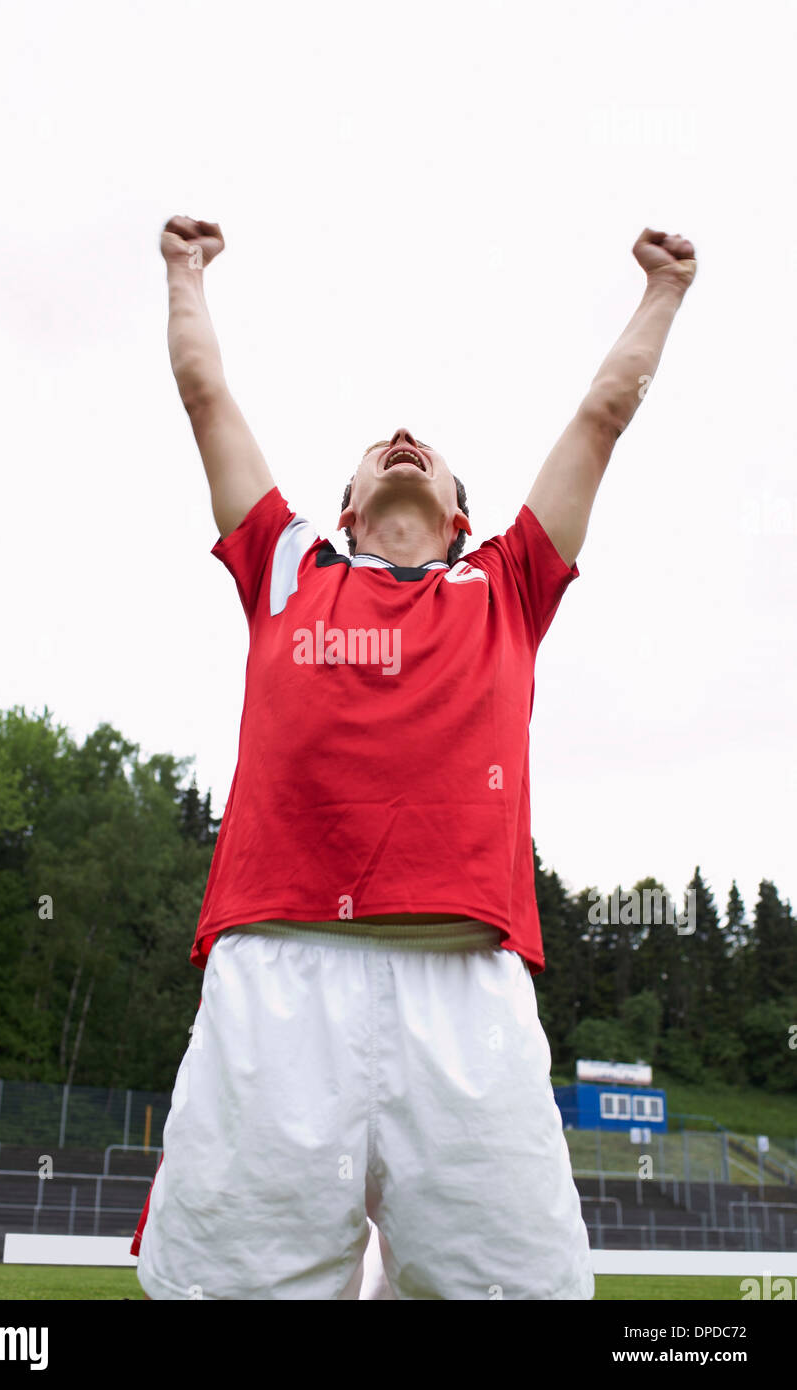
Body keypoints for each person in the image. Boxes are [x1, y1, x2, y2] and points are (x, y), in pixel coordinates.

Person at [133, 216, 697, 1300]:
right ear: (343, 511)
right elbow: (205, 393)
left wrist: (665, 290)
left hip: (466, 1003)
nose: (402, 433)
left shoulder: (510, 587)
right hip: (277, 988)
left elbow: (604, 412)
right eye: (379, 444)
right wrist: (183, 271)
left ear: (460, 516)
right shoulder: (285, 564)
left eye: (428, 449)